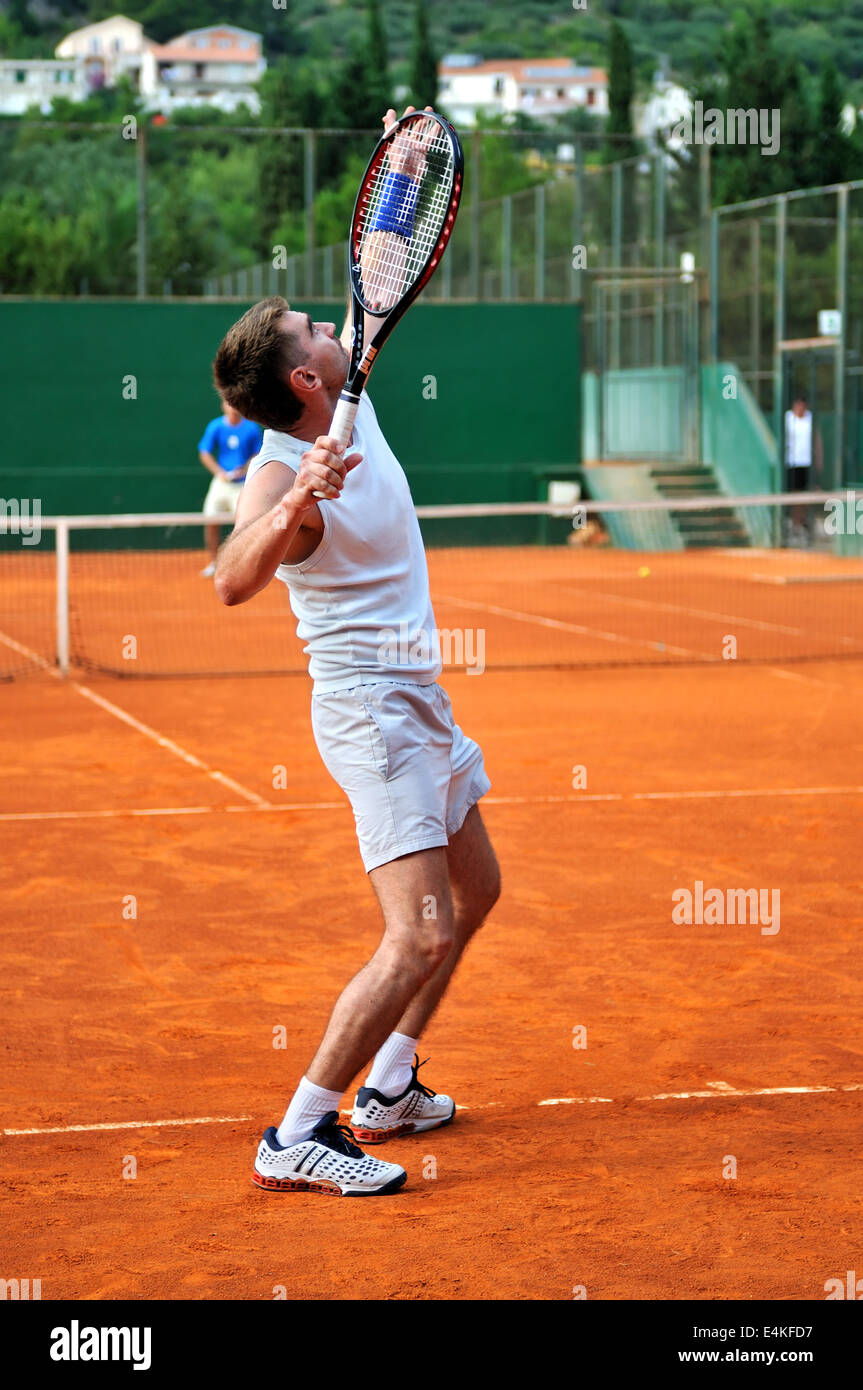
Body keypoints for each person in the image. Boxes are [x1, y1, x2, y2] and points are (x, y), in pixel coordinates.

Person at [211, 105, 501, 1199]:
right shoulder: (283, 471)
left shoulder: (350, 380)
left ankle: (389, 1084)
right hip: (369, 715)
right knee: (419, 932)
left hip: (416, 701)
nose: (334, 328)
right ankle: (297, 1130)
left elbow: (379, 254)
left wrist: (408, 151)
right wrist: (296, 508)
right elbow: (236, 574)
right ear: (300, 381)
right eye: (314, 333)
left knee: (476, 891)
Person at [198, 398, 263, 577]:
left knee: (244, 526)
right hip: (221, 484)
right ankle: (214, 562)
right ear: (223, 406)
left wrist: (243, 470)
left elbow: (257, 453)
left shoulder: (251, 428)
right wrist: (220, 473)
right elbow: (204, 453)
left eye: (235, 404)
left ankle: (243, 566)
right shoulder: (216, 426)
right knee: (210, 520)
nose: (232, 408)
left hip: (242, 485)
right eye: (228, 404)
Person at [784, 395, 822, 545]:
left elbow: (817, 440)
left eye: (803, 405)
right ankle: (796, 526)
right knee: (795, 496)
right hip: (792, 463)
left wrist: (819, 461)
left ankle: (804, 523)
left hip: (807, 463)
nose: (800, 408)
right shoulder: (787, 418)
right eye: (798, 405)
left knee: (808, 496)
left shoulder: (810, 418)